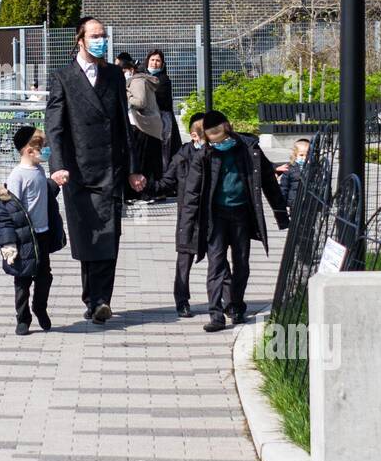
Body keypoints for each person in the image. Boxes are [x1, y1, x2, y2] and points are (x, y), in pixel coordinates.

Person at [44, 17, 144, 325]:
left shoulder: (113, 75)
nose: (101, 40)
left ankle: (102, 300)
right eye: (95, 35)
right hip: (78, 171)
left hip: (110, 168)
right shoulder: (62, 77)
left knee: (109, 235)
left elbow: (122, 122)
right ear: (80, 39)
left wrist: (133, 168)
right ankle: (92, 297)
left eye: (104, 35)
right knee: (87, 236)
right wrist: (58, 166)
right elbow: (55, 127)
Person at [180, 110, 289, 333]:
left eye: (222, 138)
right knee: (216, 265)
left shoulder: (250, 150)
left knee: (241, 264)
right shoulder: (204, 156)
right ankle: (216, 314)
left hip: (241, 215)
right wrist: (187, 229)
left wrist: (281, 215)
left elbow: (268, 180)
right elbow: (191, 194)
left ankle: (236, 306)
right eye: (214, 140)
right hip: (215, 217)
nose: (220, 144)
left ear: (228, 127)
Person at [0, 127, 65, 336]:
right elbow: (10, 211)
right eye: (42, 147)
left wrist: (55, 184)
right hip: (24, 237)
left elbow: (43, 194)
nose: (46, 151)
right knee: (22, 278)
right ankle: (23, 319)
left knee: (44, 276)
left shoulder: (40, 171)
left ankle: (39, 308)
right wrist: (9, 243)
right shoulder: (18, 176)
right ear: (29, 151)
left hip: (43, 234)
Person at [151, 111, 205, 317]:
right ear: (194, 136)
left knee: (219, 262)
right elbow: (167, 182)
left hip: (212, 216)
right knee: (184, 261)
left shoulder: (214, 153)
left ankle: (226, 301)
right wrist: (146, 187)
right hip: (188, 218)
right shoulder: (183, 156)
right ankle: (182, 301)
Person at [118, 53, 163, 202]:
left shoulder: (137, 82)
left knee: (141, 161)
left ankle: (141, 193)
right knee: (148, 161)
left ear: (130, 69)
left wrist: (125, 96)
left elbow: (140, 102)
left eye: (122, 71)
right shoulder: (140, 80)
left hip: (143, 126)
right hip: (148, 125)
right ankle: (145, 193)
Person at [144, 50, 182, 173]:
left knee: (163, 152)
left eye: (158, 60)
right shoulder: (141, 76)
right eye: (152, 60)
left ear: (162, 64)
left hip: (162, 121)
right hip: (146, 121)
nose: (154, 63)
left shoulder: (164, 80)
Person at [275, 138, 310, 210]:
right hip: (294, 202)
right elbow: (284, 187)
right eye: (301, 155)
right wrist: (282, 203)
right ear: (295, 155)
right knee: (295, 219)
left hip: (309, 203)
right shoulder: (290, 169)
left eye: (307, 155)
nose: (304, 158)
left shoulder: (314, 167)